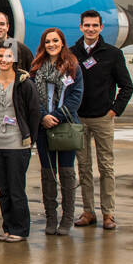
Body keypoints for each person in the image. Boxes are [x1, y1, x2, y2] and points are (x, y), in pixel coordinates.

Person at [70, 9, 133, 231]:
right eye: (86, 25)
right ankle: (88, 211)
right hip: (79, 119)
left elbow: (127, 86)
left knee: (106, 166)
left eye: (94, 26)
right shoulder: (72, 53)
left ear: (100, 28)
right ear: (81, 27)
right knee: (84, 167)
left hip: (102, 118)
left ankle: (109, 213)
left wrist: (114, 111)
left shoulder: (112, 54)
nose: (90, 29)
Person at [0, 41, 41, 242]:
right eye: (0, 56)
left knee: (16, 188)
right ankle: (8, 227)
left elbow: (34, 113)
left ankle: (20, 229)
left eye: (8, 56)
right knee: (4, 189)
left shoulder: (24, 83)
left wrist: (29, 138)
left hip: (16, 143)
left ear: (15, 59)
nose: (3, 60)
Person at [31, 28, 84, 235]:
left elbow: (76, 97)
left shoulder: (73, 68)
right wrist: (43, 116)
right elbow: (33, 96)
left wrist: (57, 116)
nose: (51, 44)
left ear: (62, 43)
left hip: (66, 124)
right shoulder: (37, 68)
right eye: (47, 42)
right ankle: (51, 218)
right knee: (48, 174)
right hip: (44, 126)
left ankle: (67, 219)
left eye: (55, 41)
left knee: (66, 173)